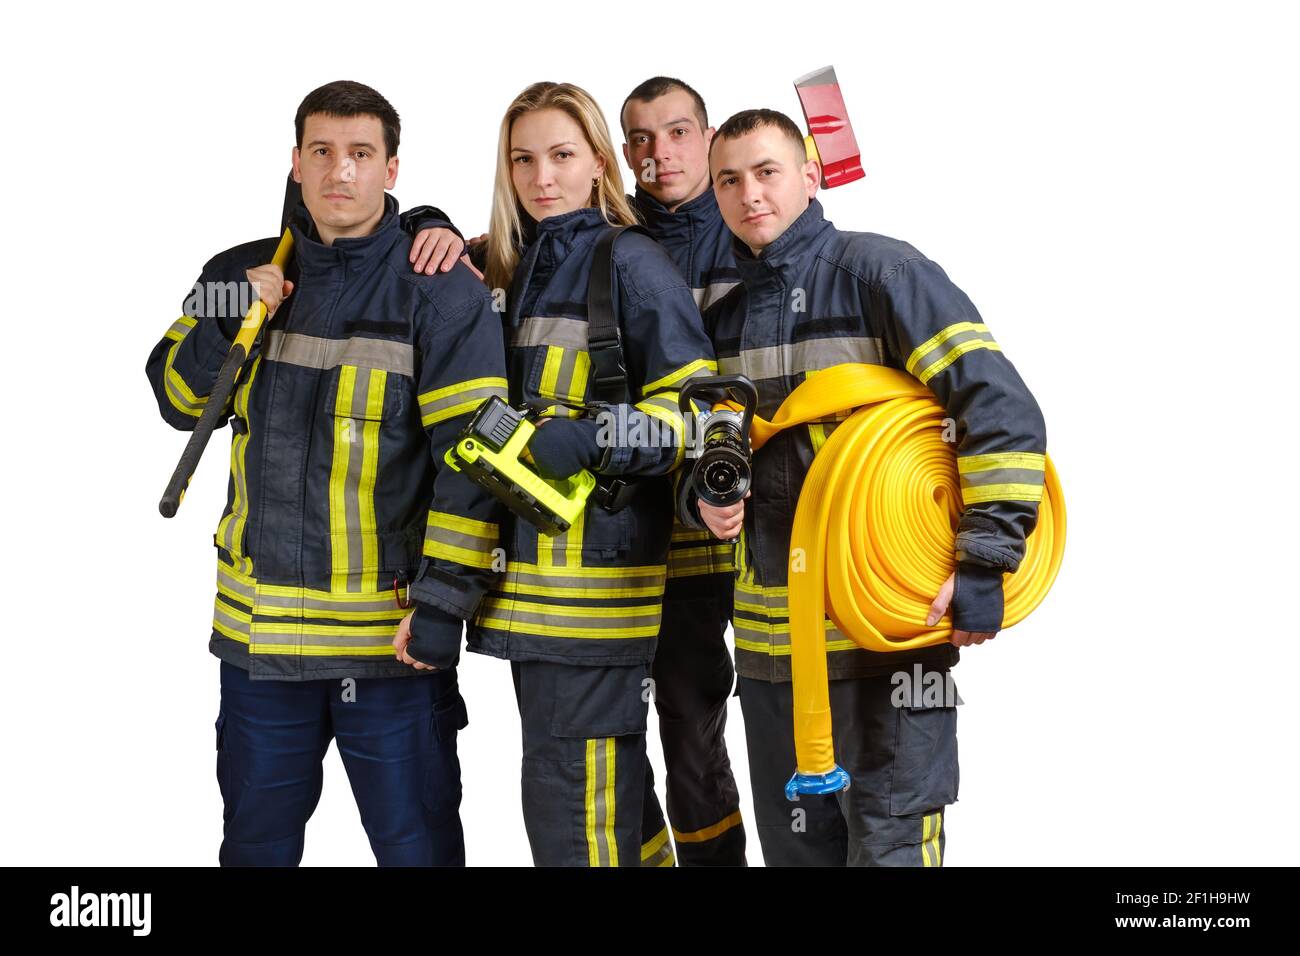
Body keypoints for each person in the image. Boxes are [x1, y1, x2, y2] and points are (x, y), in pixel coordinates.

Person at [145, 80, 508, 866]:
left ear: (392, 169)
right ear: (296, 163)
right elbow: (177, 400)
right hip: (259, 650)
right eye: (322, 153)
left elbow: (474, 467)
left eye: (360, 154)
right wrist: (228, 317)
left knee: (418, 850)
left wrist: (446, 602)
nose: (339, 172)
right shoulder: (234, 273)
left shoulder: (440, 292)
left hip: (390, 653)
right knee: (254, 847)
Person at [692, 109, 1048, 866]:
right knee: (799, 853)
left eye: (766, 172)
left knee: (890, 848)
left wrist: (982, 559)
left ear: (810, 175)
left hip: (890, 640)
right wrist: (708, 491)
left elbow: (999, 406)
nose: (749, 194)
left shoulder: (882, 273)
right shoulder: (718, 319)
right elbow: (716, 446)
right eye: (729, 180)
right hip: (770, 651)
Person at [469, 80, 718, 867]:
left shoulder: (631, 262)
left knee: (574, 822)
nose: (542, 177)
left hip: (596, 601)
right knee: (605, 800)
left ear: (600, 163)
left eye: (562, 155)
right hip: (525, 596)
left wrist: (595, 436)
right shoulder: (514, 264)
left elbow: (708, 420)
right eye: (524, 159)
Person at [617, 76, 746, 866]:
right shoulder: (604, 235)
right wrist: (428, 222)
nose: (658, 154)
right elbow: (505, 238)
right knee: (606, 733)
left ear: (707, 135)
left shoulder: (752, 232)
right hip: (625, 530)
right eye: (640, 138)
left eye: (677, 133)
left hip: (732, 531)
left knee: (696, 734)